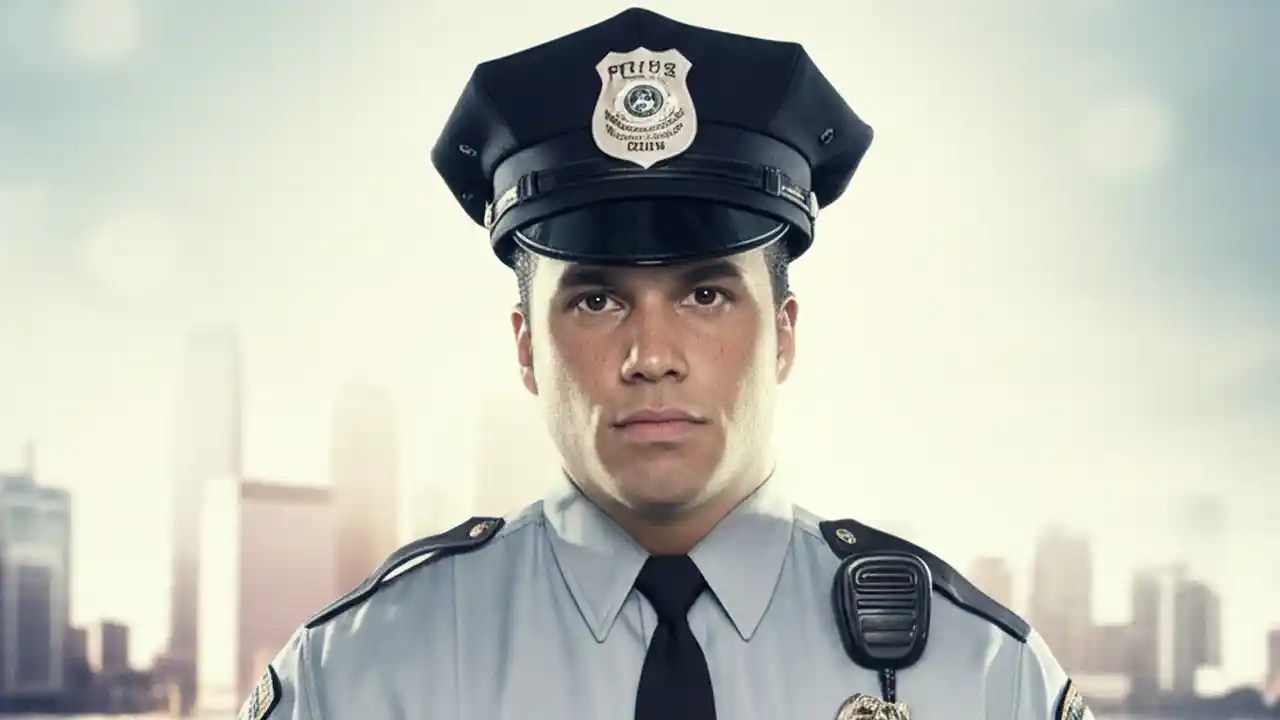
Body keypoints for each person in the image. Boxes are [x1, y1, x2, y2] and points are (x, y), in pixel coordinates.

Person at [239, 8, 1093, 720]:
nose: (651, 357)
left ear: (785, 334)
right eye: (596, 300)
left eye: (706, 296)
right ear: (528, 346)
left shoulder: (979, 677)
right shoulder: (361, 676)